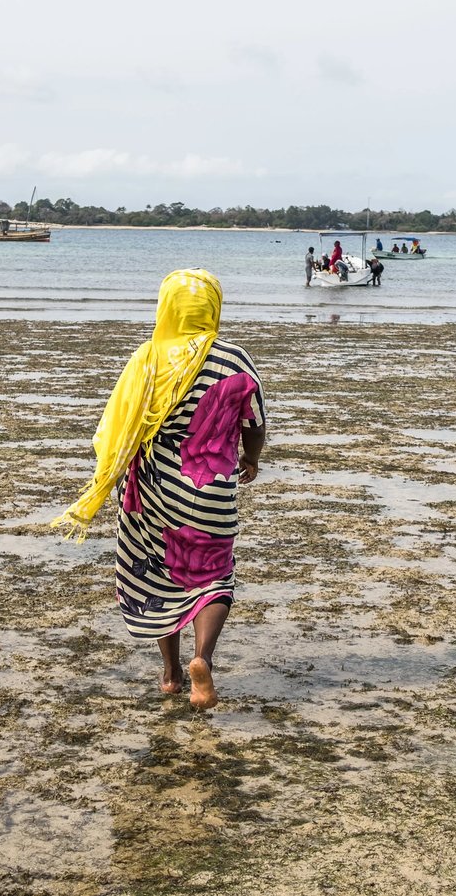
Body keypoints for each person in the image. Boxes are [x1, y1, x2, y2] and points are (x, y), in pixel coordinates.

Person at [53, 269, 267, 710]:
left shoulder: (147, 359)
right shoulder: (235, 358)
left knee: (157, 573)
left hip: (148, 487)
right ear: (213, 308)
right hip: (210, 490)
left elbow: (120, 421)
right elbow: (255, 422)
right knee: (214, 576)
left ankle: (170, 674)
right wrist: (251, 460)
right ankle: (201, 659)